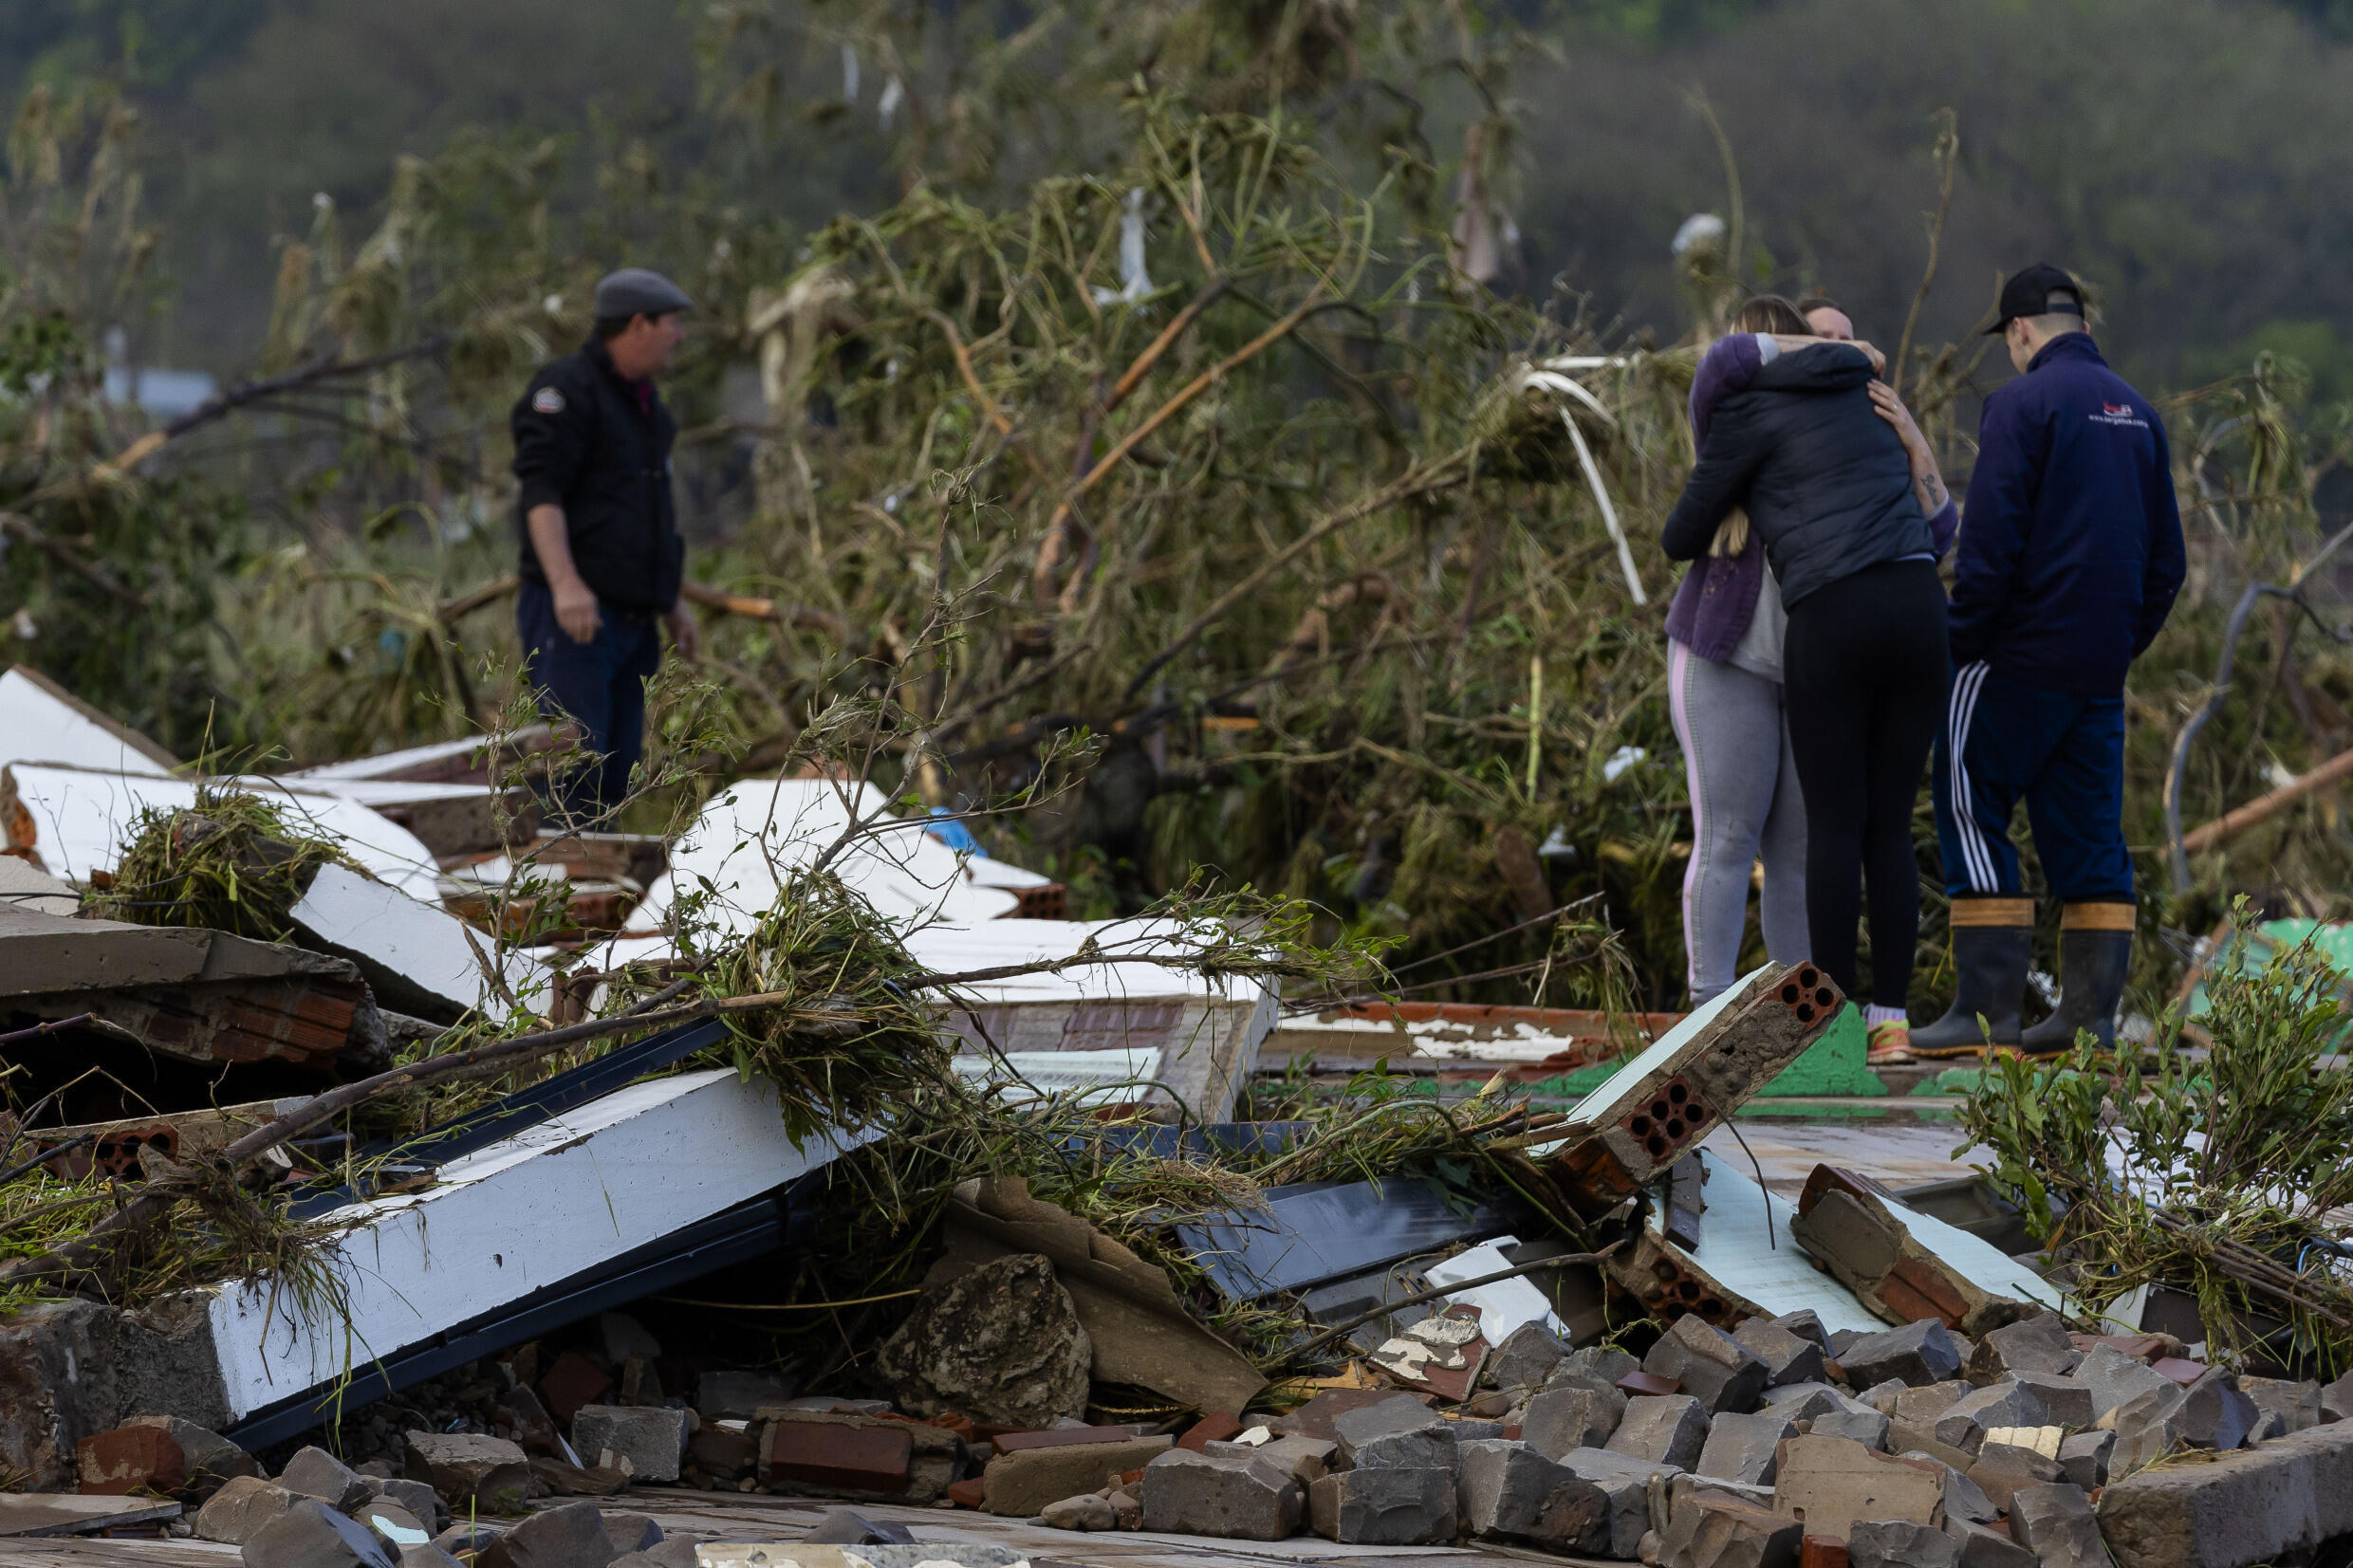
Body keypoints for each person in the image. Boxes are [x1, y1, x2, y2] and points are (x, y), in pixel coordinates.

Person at [1661, 296, 1954, 1060]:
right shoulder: (1738, 398)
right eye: (1808, 341)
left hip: (1828, 645)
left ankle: (1821, 1025)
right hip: (1739, 652)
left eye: (1840, 341)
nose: (1825, 351)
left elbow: (1944, 530)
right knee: (1733, 836)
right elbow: (1724, 361)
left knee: (1819, 840)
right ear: (1779, 346)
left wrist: (1916, 440)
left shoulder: (1859, 415)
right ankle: (1711, 1013)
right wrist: (1851, 353)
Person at [1912, 265, 2185, 1055]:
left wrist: (1959, 645)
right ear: (2083, 324)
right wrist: (2117, 645)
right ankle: (2088, 1021)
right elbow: (2168, 564)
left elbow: (1988, 546)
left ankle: (1985, 1015)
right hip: (2096, 674)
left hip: (2010, 661)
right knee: (2091, 839)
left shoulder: (2021, 404)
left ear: (2021, 332)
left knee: (1970, 801)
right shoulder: (2139, 413)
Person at [511, 267, 701, 825]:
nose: (680, 335)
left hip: (632, 619)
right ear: (638, 325)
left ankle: (605, 898)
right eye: (672, 324)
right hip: (574, 618)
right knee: (574, 768)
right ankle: (562, 893)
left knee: (618, 773)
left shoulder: (647, 408)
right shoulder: (564, 393)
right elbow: (540, 493)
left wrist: (669, 600)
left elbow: (647, 515)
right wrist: (566, 584)